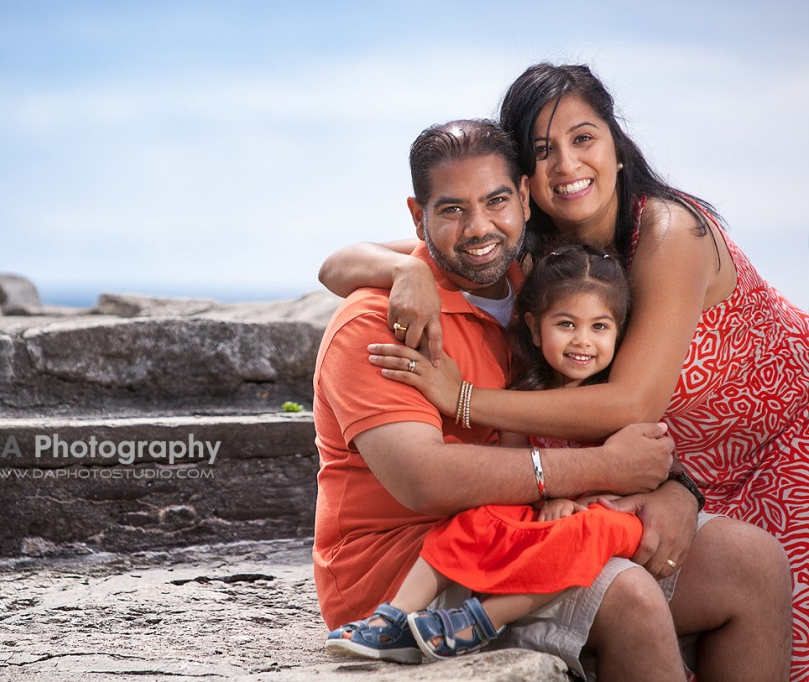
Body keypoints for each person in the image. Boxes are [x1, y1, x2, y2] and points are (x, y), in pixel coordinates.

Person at [320, 63, 808, 679]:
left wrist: (677, 490)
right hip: (419, 563)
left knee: (754, 564)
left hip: (769, 449)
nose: (479, 227)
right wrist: (406, 271)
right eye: (545, 149)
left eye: (496, 201)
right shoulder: (387, 319)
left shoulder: (548, 271)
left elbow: (628, 407)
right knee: (627, 594)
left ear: (520, 198)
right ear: (420, 217)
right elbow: (424, 479)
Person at [326, 245, 649, 664]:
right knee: (476, 518)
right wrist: (548, 498)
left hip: (596, 514)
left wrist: (585, 499)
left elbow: (646, 465)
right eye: (566, 324)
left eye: (600, 327)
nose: (582, 341)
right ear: (535, 329)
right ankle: (393, 617)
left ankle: (481, 620)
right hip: (538, 509)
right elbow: (511, 470)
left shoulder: (617, 397)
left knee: (598, 531)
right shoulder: (522, 395)